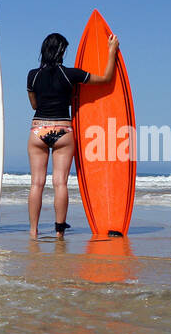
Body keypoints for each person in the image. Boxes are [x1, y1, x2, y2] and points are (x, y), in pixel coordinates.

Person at [26, 31, 118, 238]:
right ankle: (59, 232)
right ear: (62, 52)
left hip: (38, 129)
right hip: (63, 130)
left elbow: (34, 104)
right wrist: (111, 50)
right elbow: (106, 78)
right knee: (60, 183)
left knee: (36, 183)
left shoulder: (33, 75)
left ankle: (33, 231)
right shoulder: (71, 74)